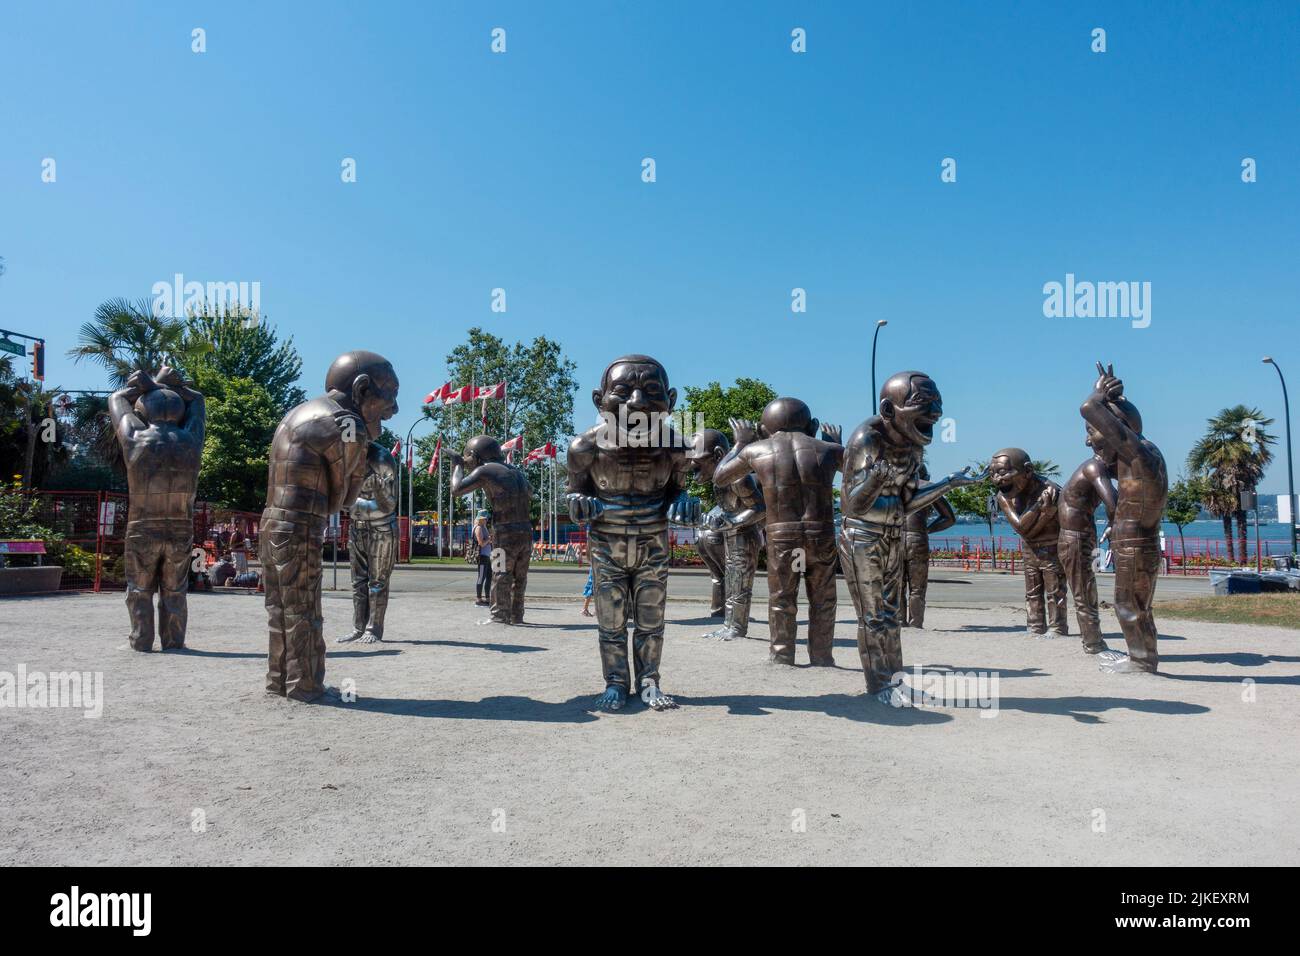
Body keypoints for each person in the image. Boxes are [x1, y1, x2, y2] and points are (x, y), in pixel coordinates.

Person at [473, 512, 492, 607]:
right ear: (480, 519)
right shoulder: (478, 528)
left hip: (487, 555)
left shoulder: (483, 527)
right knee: (481, 577)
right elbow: (481, 543)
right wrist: (489, 539)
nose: (486, 520)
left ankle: (488, 598)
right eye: (485, 518)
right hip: (482, 556)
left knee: (489, 577)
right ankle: (478, 598)